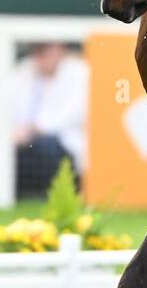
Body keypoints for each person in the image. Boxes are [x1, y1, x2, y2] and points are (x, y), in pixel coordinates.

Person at [10, 41, 89, 196]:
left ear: (61, 48)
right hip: (23, 146)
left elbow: (75, 113)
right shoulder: (23, 72)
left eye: (45, 49)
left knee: (47, 148)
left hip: (63, 148)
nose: (39, 56)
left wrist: (36, 128)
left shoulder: (79, 71)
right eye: (36, 50)